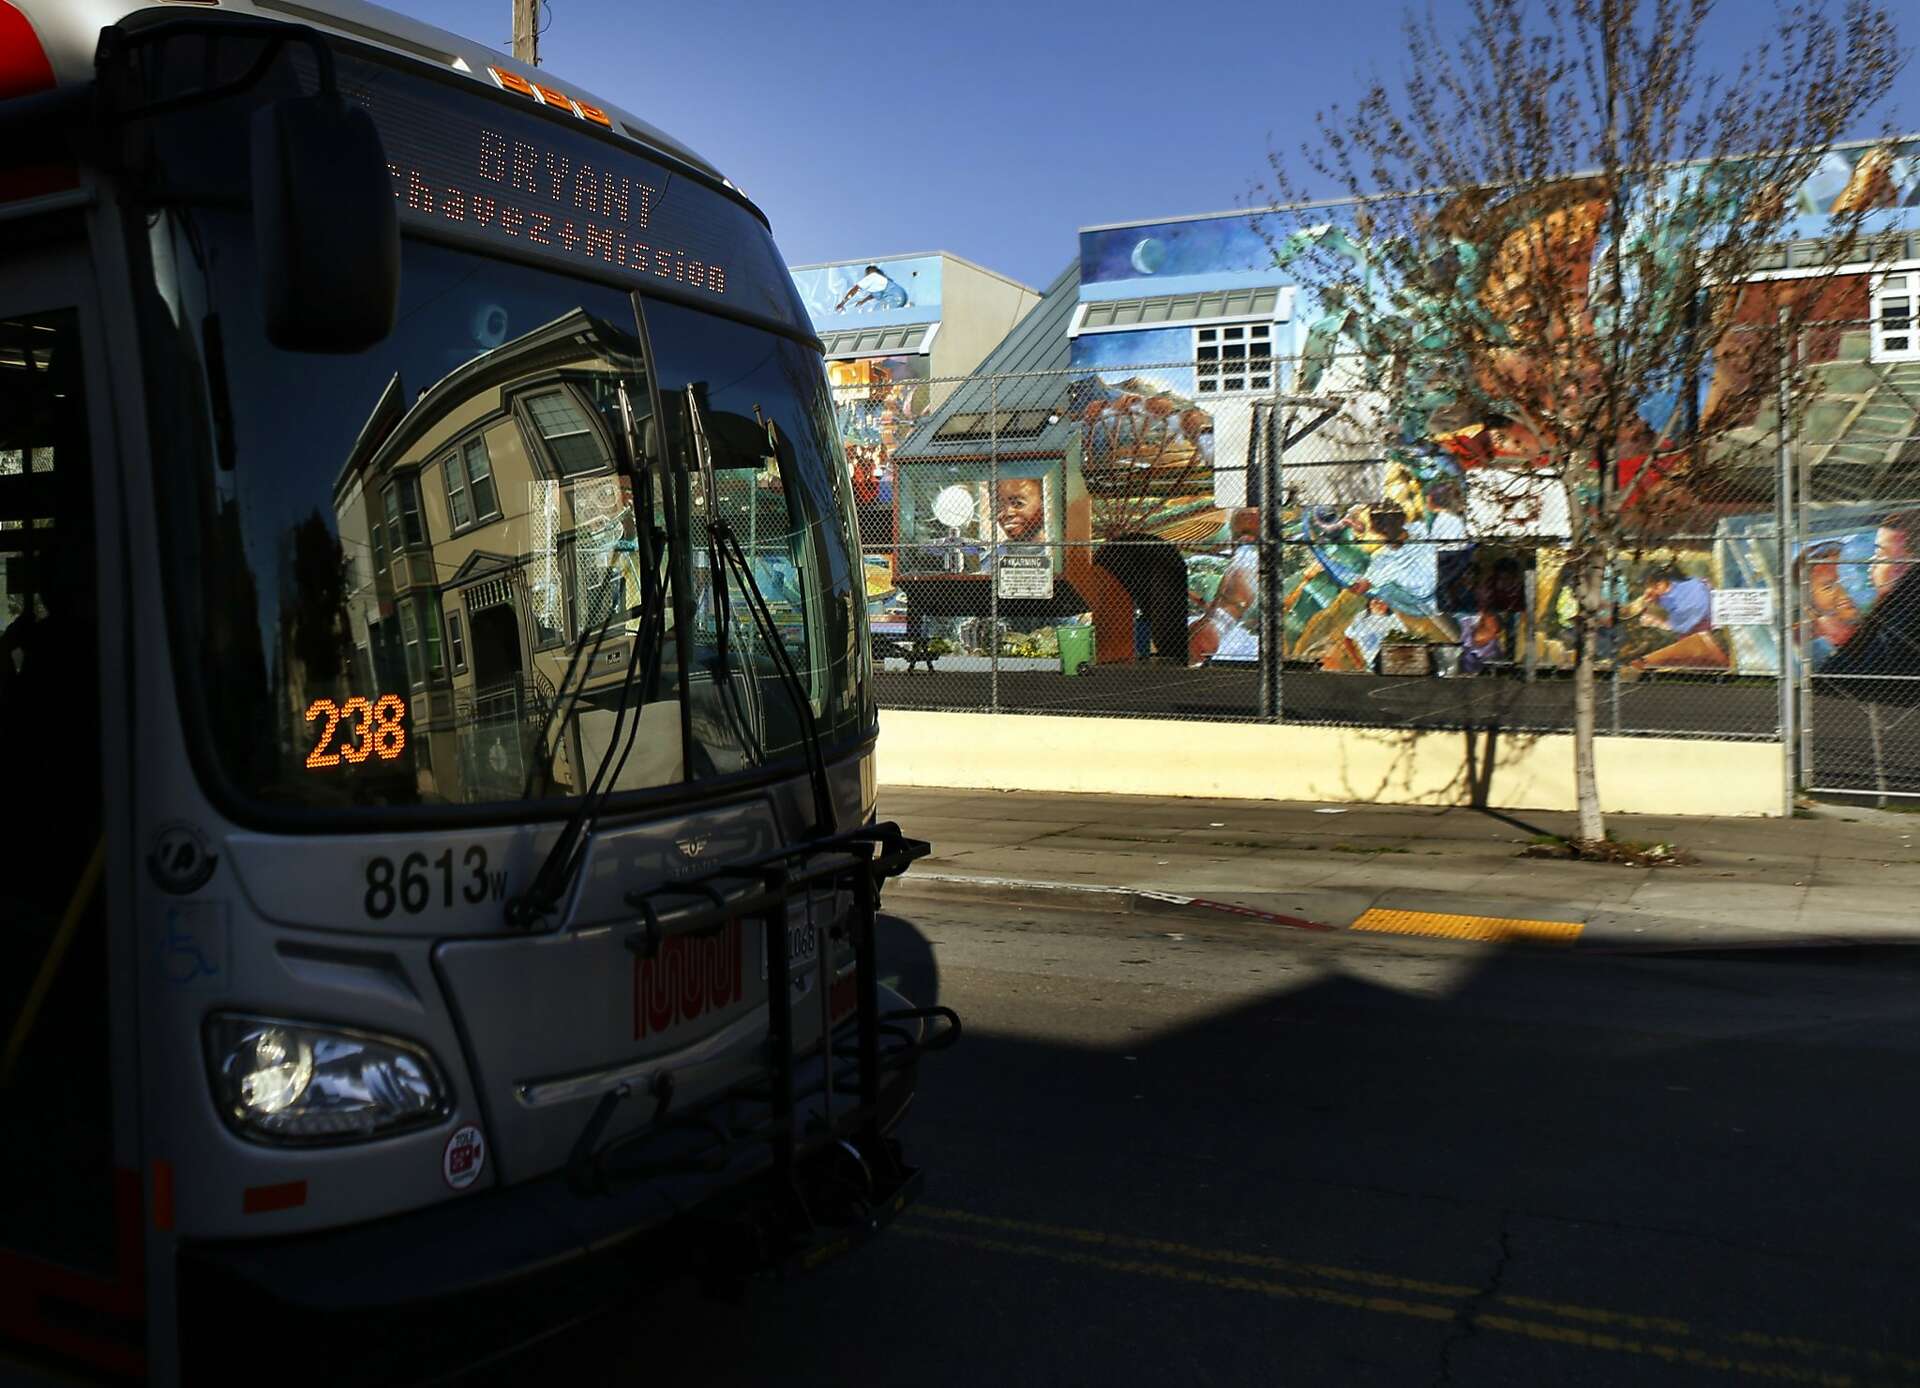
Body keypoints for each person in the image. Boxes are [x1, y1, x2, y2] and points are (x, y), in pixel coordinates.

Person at [1820, 510, 1920, 678]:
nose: (1871, 563)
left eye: (1880, 555)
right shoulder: (1891, 614)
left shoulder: (1899, 621)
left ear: (1905, 567)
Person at [834, 264, 910, 313]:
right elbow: (874, 294)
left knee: (876, 313)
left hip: (895, 299)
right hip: (902, 296)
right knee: (877, 310)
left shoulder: (872, 278)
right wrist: (863, 301)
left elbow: (854, 290)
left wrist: (842, 303)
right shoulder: (880, 280)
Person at [994, 476, 1046, 543]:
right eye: (999, 505)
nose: (1007, 513)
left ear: (1043, 502)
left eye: (1018, 503)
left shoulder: (1059, 550)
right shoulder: (998, 552)